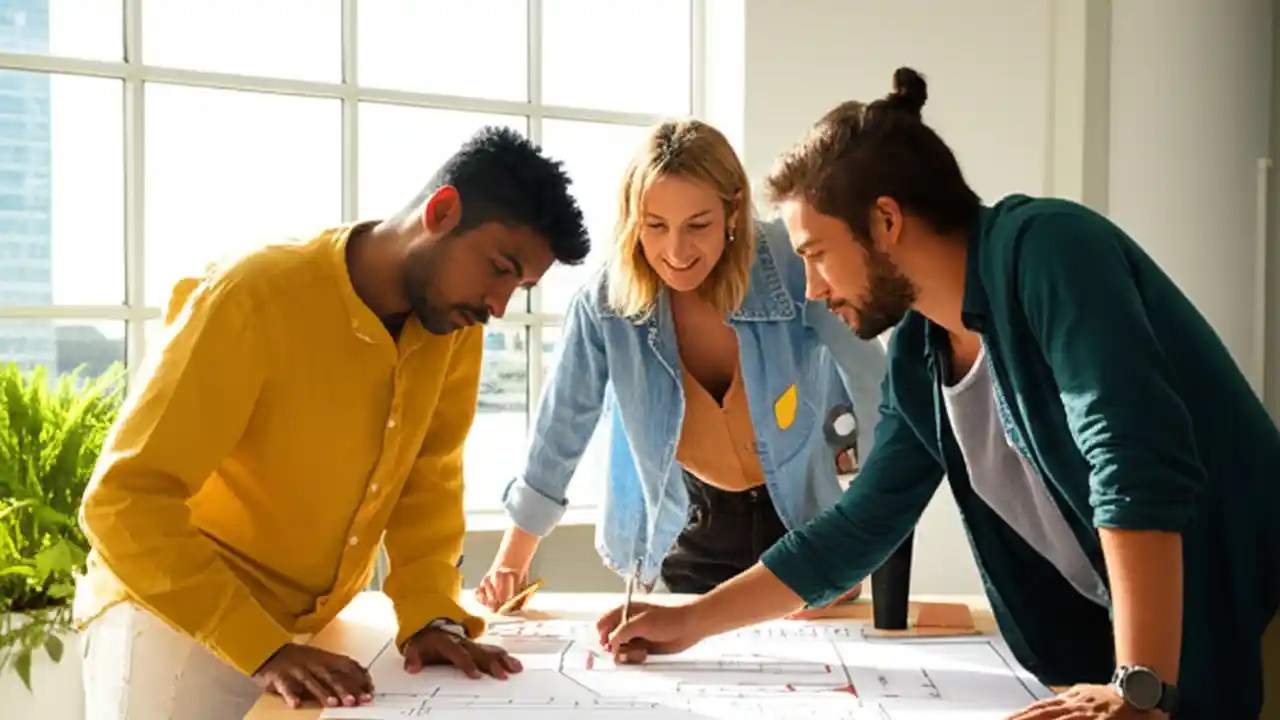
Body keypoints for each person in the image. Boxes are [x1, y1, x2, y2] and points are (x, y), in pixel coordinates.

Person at [598, 69, 1280, 719]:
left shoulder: (1050, 250)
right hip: (1145, 654)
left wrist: (1139, 685)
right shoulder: (920, 356)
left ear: (885, 221)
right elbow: (858, 527)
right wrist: (688, 620)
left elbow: (1131, 461)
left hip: (1248, 620)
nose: (811, 288)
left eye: (816, 254)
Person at [74, 126, 590, 720]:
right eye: (499, 269)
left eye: (519, 287)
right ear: (442, 211)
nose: (499, 306)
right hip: (169, 619)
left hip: (307, 638)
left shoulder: (452, 330)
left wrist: (430, 614)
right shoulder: (254, 295)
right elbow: (123, 501)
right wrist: (261, 647)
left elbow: (427, 479)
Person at [474, 119, 887, 610]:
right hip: (692, 527)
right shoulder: (605, 304)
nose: (676, 251)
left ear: (733, 208)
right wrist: (510, 565)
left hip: (805, 520)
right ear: (632, 217)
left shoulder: (790, 259)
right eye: (655, 226)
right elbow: (562, 427)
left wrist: (861, 540)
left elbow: (879, 388)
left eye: (698, 225)